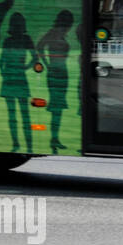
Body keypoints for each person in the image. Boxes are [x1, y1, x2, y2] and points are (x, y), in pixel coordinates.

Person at [0, 12, 40, 153]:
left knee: (18, 114)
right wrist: (25, 67)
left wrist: (6, 71)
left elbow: (2, 61)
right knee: (21, 114)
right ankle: (23, 145)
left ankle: (20, 144)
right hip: (15, 78)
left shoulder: (13, 40)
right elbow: (34, 57)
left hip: (13, 77)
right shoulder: (22, 40)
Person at [37, 10, 74, 151]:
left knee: (58, 109)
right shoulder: (53, 32)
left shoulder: (62, 33)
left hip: (63, 73)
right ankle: (53, 139)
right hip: (55, 73)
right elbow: (40, 46)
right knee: (56, 108)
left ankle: (55, 138)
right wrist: (47, 64)